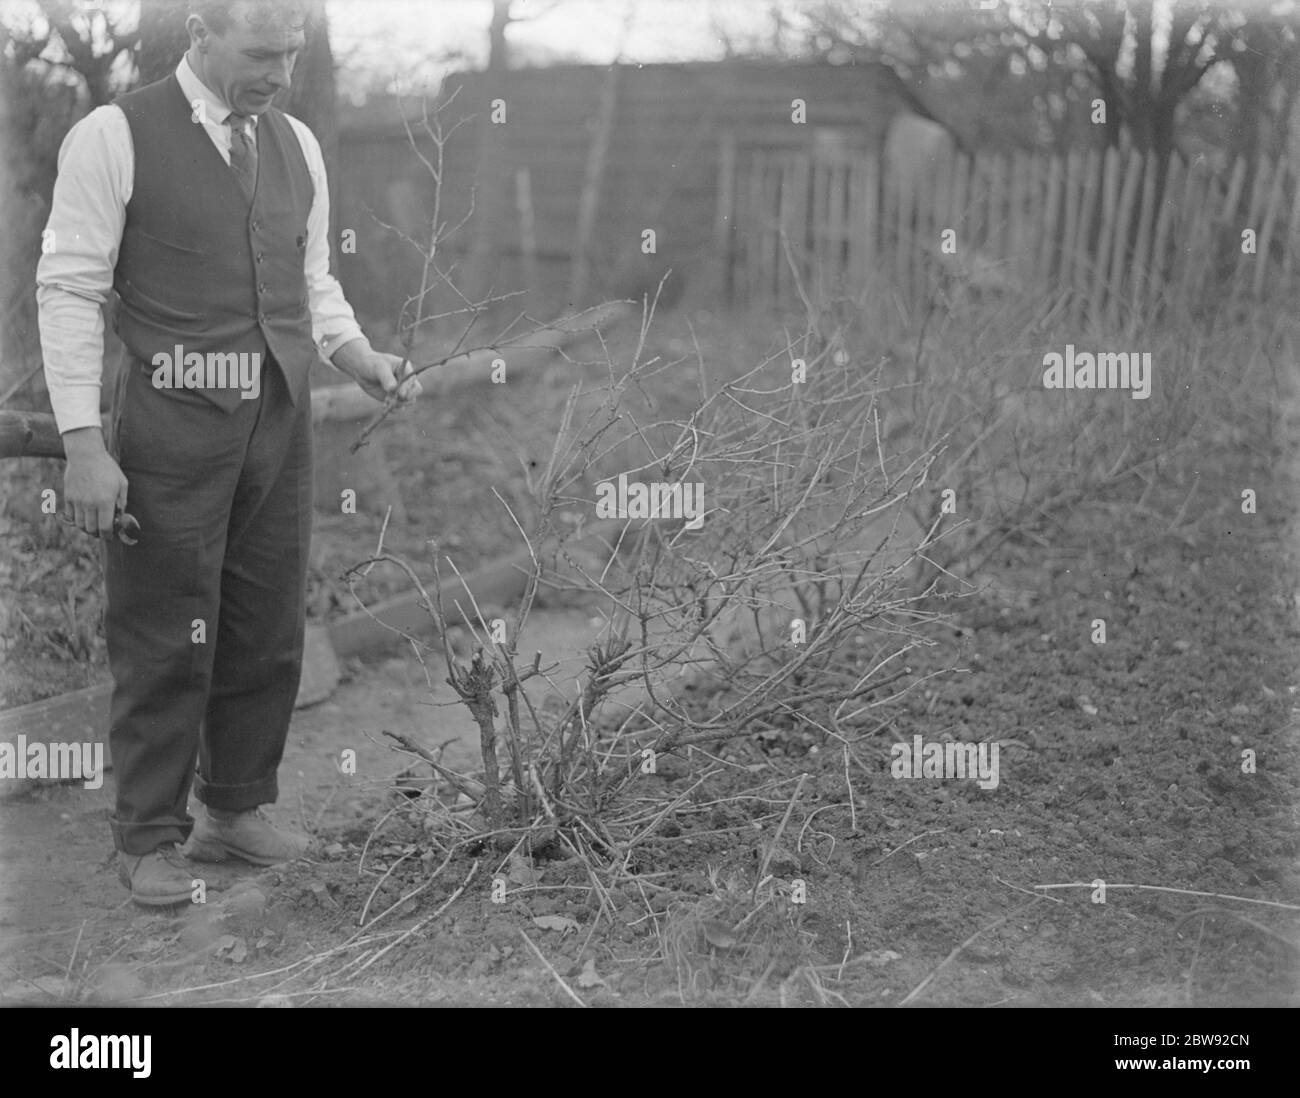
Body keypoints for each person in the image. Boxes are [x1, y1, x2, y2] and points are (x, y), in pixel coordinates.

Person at [36, 0, 421, 906]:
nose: (279, 76)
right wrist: (84, 445)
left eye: (290, 55)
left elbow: (311, 278)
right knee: (164, 632)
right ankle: (146, 839)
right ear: (199, 34)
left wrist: (357, 353)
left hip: (277, 424)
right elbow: (69, 289)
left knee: (264, 622)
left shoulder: (296, 144)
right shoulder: (114, 135)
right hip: (171, 429)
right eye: (260, 54)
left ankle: (237, 808)